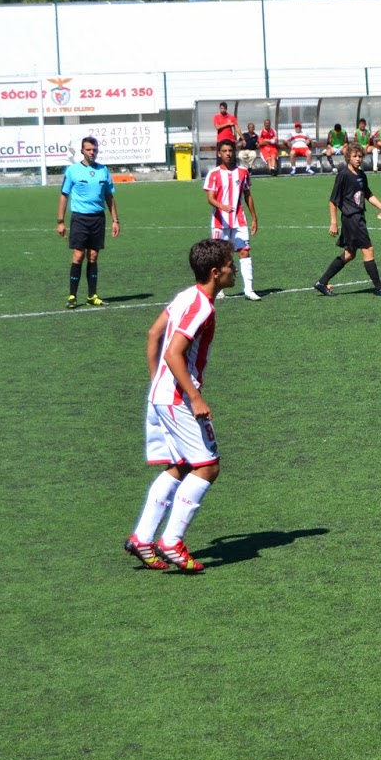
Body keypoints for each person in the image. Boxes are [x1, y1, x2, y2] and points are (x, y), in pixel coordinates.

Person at [124, 238, 237, 572]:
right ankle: (171, 541)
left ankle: (143, 538)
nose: (234, 269)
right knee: (208, 466)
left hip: (162, 394)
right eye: (230, 265)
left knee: (182, 465)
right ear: (215, 272)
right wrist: (194, 396)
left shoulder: (185, 295)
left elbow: (153, 334)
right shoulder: (201, 306)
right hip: (178, 398)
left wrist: (157, 382)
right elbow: (173, 351)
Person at [313, 144, 381, 297]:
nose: (358, 159)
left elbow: (368, 194)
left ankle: (322, 282)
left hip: (358, 217)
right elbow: (333, 201)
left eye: (360, 156)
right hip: (352, 219)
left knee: (350, 253)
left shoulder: (361, 175)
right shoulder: (343, 175)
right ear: (348, 157)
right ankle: (379, 287)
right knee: (368, 249)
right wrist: (333, 222)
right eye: (355, 156)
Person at [56, 135, 120, 308]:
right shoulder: (72, 171)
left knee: (93, 256)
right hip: (79, 218)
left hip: (98, 218)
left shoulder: (103, 170)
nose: (92, 152)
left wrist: (115, 220)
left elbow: (109, 196)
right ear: (82, 151)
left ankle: (92, 295)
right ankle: (72, 296)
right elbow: (64, 195)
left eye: (95, 150)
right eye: (89, 150)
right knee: (79, 255)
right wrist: (60, 221)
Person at [204, 138, 260, 301]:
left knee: (244, 252)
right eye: (225, 151)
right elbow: (210, 198)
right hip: (220, 222)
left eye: (230, 151)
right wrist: (222, 206)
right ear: (219, 154)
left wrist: (254, 217)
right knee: (221, 256)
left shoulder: (242, 172)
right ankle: (218, 288)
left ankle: (249, 289)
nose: (228, 154)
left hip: (239, 220)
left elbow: (247, 195)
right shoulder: (213, 174)